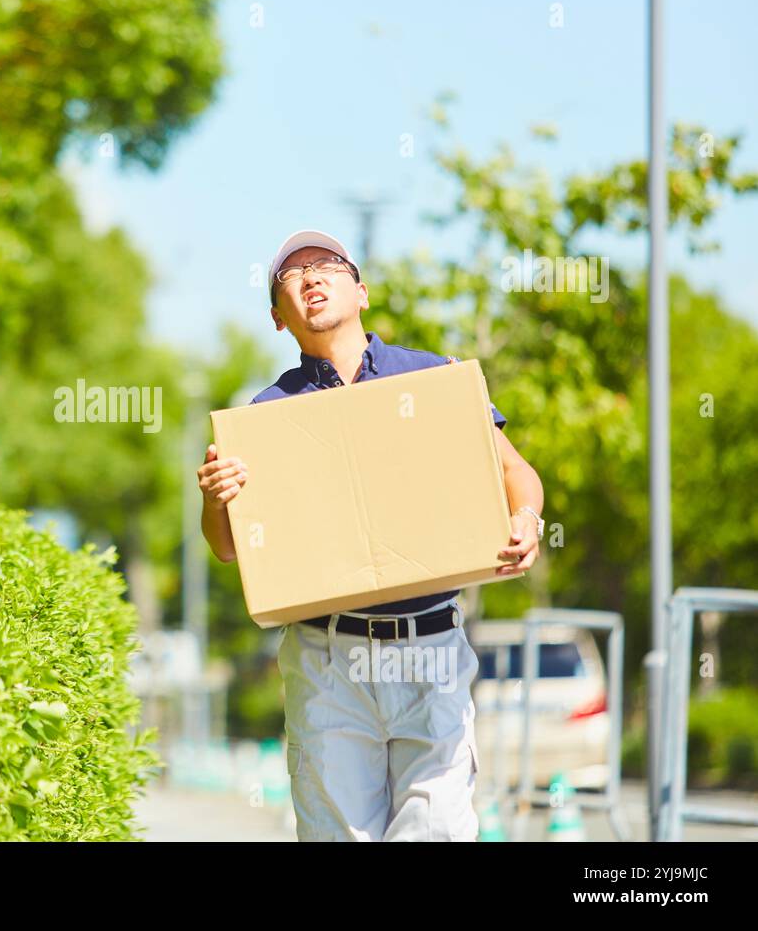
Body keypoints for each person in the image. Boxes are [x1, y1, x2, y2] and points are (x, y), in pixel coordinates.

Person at [196, 229, 545, 841]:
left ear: (361, 290)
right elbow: (227, 547)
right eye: (290, 275)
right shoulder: (264, 416)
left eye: (326, 265)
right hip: (328, 661)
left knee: (436, 831)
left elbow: (515, 473)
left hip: (431, 647)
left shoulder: (434, 378)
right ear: (278, 318)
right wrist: (214, 496)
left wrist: (527, 521)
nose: (309, 276)